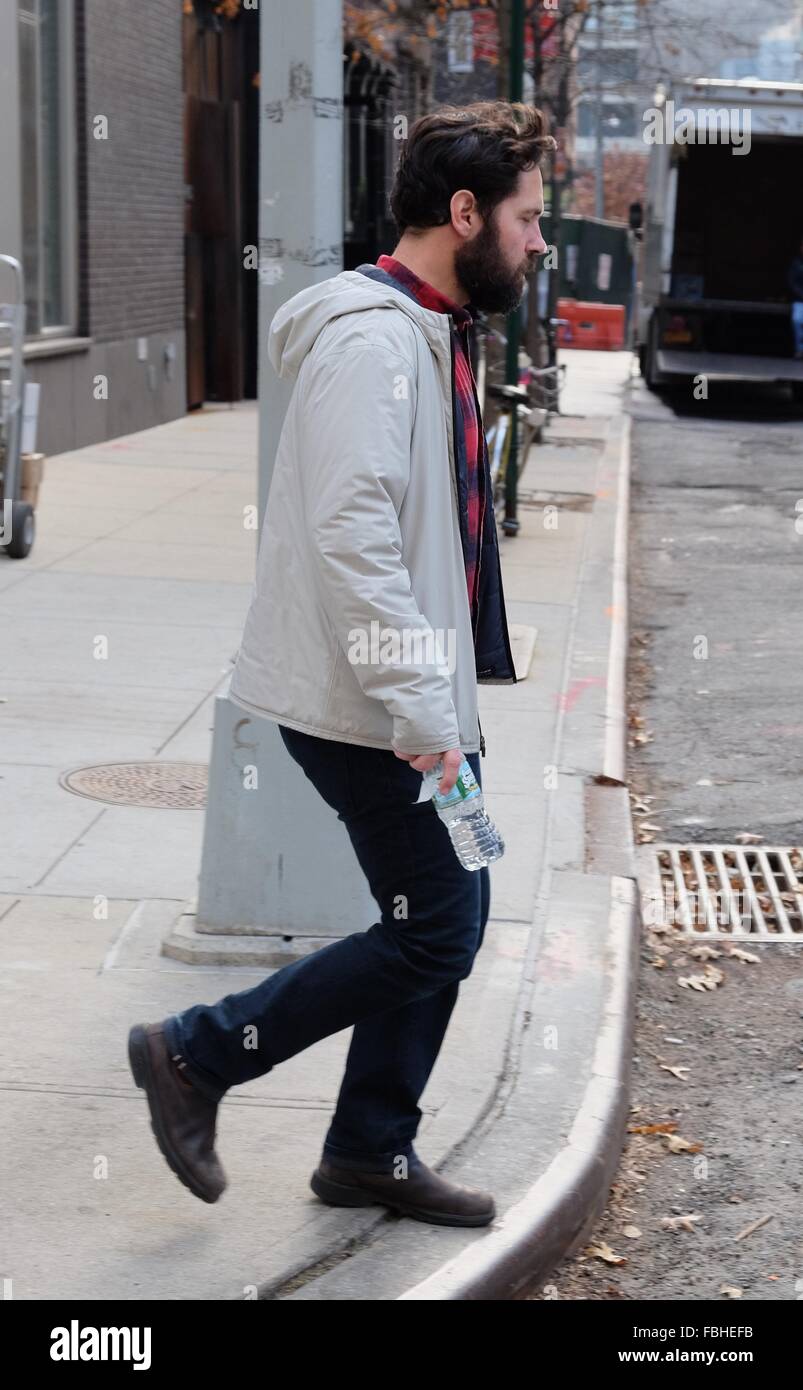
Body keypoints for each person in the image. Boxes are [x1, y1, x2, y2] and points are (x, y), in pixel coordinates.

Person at [128, 101, 554, 1228]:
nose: (539, 241)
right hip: (364, 700)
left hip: (401, 694)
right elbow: (351, 540)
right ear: (462, 214)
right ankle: (197, 1053)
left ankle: (368, 1147)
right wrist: (420, 702)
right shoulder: (372, 343)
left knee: (444, 908)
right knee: (436, 924)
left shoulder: (424, 330)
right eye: (526, 217)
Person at [790, 237, 803, 360]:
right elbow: (792, 282)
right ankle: (800, 349)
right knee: (797, 320)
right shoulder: (796, 263)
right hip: (800, 300)